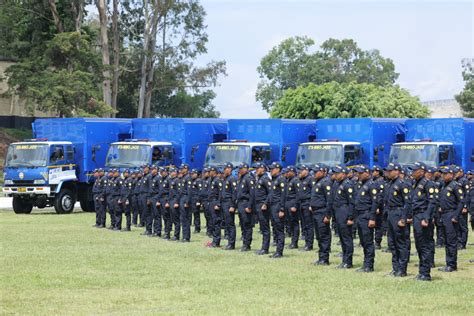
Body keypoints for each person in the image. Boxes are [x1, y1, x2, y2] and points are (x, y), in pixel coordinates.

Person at [410, 162, 437, 281]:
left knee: (425, 244)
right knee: (419, 244)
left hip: (423, 216)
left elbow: (432, 203)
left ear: (421, 171)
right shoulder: (416, 183)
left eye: (414, 170)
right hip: (416, 216)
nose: (412, 173)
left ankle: (426, 273)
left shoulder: (428, 183)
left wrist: (426, 218)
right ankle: (421, 271)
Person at [384, 163, 411, 277]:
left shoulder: (403, 184)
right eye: (387, 171)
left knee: (401, 242)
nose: (388, 173)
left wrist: (404, 218)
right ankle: (395, 268)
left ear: (397, 171)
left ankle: (402, 269)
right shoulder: (390, 183)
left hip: (399, 213)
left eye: (390, 171)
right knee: (392, 242)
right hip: (391, 214)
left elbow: (407, 203)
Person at [438, 167, 464, 272]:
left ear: (451, 174)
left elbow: (461, 202)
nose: (443, 175)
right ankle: (448, 263)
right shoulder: (444, 185)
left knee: (451, 241)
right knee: (446, 241)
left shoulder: (455, 186)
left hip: (451, 214)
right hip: (444, 215)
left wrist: (456, 216)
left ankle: (452, 265)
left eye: (445, 174)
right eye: (442, 174)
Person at [353, 165, 378, 273]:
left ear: (367, 173)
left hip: (367, 215)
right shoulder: (361, 184)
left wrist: (372, 218)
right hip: (359, 216)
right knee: (363, 241)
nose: (357, 175)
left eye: (360, 173)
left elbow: (375, 202)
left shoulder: (371, 185)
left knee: (368, 241)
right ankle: (365, 263)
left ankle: (369, 265)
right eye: (357, 173)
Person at [332, 166, 355, 269]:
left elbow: (352, 203)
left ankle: (348, 262)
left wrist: (350, 217)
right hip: (339, 213)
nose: (335, 175)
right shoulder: (338, 184)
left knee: (346, 239)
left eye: (337, 173)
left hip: (345, 213)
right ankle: (344, 260)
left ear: (344, 173)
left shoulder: (348, 184)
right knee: (342, 238)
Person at [310, 165, 333, 266]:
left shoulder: (326, 182)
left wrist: (327, 215)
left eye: (316, 171)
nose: (314, 173)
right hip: (316, 212)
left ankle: (324, 259)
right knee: (319, 236)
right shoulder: (318, 182)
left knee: (324, 236)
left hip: (322, 212)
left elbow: (329, 201)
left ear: (323, 172)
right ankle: (321, 257)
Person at [268, 162, 286, 258]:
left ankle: (279, 251)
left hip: (278, 207)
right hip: (272, 206)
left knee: (279, 229)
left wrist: (282, 209)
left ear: (278, 169)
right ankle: (277, 251)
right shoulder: (274, 180)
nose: (271, 171)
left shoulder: (281, 179)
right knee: (275, 228)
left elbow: (283, 195)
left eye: (272, 169)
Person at [235, 163, 255, 252]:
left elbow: (252, 193)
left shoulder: (249, 178)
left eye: (241, 168)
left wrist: (249, 206)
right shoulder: (241, 178)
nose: (239, 170)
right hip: (240, 204)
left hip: (246, 204)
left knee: (247, 225)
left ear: (246, 169)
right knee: (242, 224)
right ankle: (244, 243)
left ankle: (247, 244)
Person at [254, 162, 271, 255]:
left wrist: (265, 203)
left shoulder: (265, 179)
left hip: (263, 206)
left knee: (265, 228)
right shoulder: (259, 178)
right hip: (258, 205)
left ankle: (265, 248)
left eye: (257, 168)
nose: (256, 170)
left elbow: (270, 192)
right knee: (262, 227)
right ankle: (263, 247)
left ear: (263, 169)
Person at [297, 165, 313, 252]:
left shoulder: (310, 179)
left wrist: (311, 204)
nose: (299, 172)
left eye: (301, 170)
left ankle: (309, 244)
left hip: (307, 203)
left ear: (306, 170)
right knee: (304, 224)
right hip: (301, 204)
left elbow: (313, 193)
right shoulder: (301, 179)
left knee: (309, 225)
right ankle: (306, 242)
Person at [285, 166, 299, 249]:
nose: (287, 173)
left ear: (292, 172)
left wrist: (295, 205)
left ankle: (294, 242)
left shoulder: (295, 180)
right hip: (288, 203)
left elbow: (298, 194)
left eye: (288, 171)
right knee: (290, 223)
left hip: (293, 203)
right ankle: (292, 241)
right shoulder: (288, 180)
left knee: (294, 223)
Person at [208, 167, 223, 248]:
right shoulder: (211, 180)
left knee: (216, 222)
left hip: (215, 203)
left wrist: (218, 204)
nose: (209, 172)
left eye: (210, 171)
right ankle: (214, 240)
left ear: (214, 172)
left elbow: (221, 193)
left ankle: (216, 241)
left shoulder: (217, 180)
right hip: (211, 202)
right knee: (213, 222)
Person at [178, 164, 193, 242]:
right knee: (183, 218)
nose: (181, 170)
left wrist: (187, 201)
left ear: (186, 169)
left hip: (185, 198)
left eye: (182, 169)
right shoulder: (183, 177)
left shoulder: (188, 177)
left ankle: (186, 237)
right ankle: (184, 236)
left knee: (185, 219)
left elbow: (189, 191)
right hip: (182, 198)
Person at [148, 165, 162, 237]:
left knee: (157, 215)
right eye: (151, 169)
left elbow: (160, 190)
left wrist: (158, 200)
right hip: (151, 197)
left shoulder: (158, 178)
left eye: (153, 169)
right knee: (153, 215)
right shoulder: (151, 177)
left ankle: (158, 232)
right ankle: (154, 231)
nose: (151, 170)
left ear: (156, 170)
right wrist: (149, 199)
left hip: (156, 197)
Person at [159, 167, 172, 240]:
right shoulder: (162, 179)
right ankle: (166, 231)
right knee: (164, 217)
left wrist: (167, 202)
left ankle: (168, 233)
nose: (161, 173)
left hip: (166, 198)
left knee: (167, 217)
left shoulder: (168, 179)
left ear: (165, 172)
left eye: (162, 172)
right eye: (160, 172)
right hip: (162, 199)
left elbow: (170, 192)